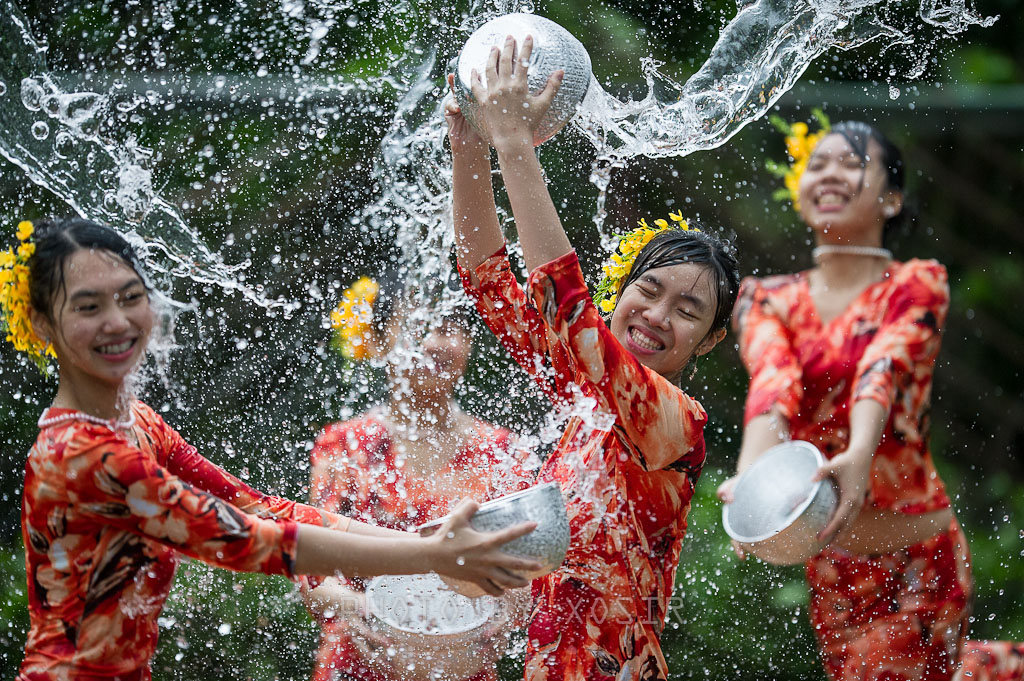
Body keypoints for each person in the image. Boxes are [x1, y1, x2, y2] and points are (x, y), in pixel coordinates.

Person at [5, 217, 541, 681]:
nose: (118, 321)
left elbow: (259, 506)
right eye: (89, 306)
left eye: (130, 297)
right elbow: (253, 540)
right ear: (41, 324)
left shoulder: (136, 423)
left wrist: (434, 548)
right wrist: (432, 556)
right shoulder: (82, 455)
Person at [445, 35, 740, 681]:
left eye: (688, 311)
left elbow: (570, 311)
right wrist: (470, 147)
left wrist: (516, 146)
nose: (658, 315)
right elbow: (489, 282)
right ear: (623, 292)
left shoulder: (675, 423)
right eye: (649, 290)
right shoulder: (585, 401)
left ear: (711, 339)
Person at [720, 117, 1024, 681]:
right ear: (801, 193)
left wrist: (859, 453)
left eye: (851, 162)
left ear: (890, 197)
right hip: (832, 572)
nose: (829, 172)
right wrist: (750, 477)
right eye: (818, 163)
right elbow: (773, 381)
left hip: (920, 561)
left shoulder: (917, 284)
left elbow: (880, 366)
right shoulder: (765, 298)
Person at [304, 273, 533, 681]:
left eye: (448, 328)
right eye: (415, 326)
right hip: (361, 662)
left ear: (469, 344)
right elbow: (311, 570)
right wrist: (353, 610)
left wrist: (508, 611)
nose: (432, 343)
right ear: (380, 340)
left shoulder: (501, 451)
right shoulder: (345, 446)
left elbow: (525, 568)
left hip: (465, 663)